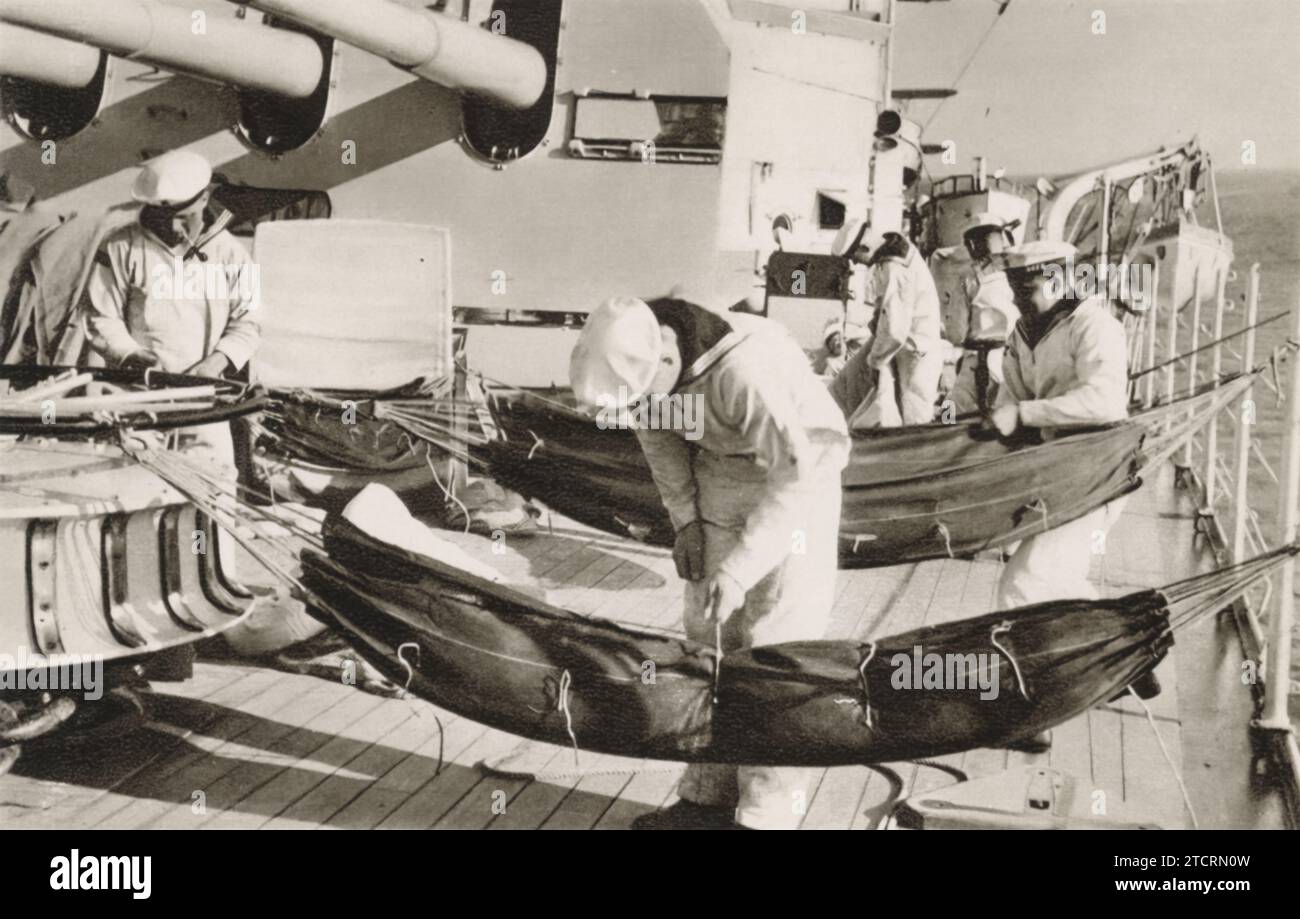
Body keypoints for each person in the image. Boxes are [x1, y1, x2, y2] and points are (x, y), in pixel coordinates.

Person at [569, 296, 849, 830]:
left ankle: (765, 816)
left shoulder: (744, 371)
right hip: (721, 475)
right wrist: (687, 524)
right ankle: (706, 798)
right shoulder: (648, 364)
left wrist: (740, 570)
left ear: (667, 362)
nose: (642, 405)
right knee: (706, 642)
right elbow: (659, 436)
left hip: (800, 479)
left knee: (773, 654)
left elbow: (795, 476)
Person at [84, 150, 260, 469]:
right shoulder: (120, 247)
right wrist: (132, 356)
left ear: (205, 198)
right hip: (136, 398)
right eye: (162, 217)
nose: (173, 227)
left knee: (211, 488)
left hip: (203, 402)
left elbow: (249, 322)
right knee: (128, 487)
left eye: (183, 216)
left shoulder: (231, 254)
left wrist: (213, 364)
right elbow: (100, 317)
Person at [989, 240, 1129, 610]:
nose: (1018, 300)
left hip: (1096, 472)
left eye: (1027, 290)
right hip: (1052, 470)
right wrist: (1004, 410)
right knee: (1055, 583)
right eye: (1014, 289)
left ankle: (1097, 649)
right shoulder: (1024, 331)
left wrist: (1025, 414)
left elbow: (1105, 403)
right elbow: (1011, 388)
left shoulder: (1095, 326)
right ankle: (1092, 651)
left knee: (1026, 583)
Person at [829, 220, 943, 426]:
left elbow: (895, 330)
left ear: (863, 248)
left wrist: (876, 361)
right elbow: (886, 312)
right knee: (853, 384)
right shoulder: (892, 255)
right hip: (901, 347)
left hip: (916, 351)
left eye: (854, 257)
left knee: (915, 417)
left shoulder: (895, 267)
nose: (856, 264)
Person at [947, 213, 1020, 415]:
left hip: (980, 361)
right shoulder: (1017, 271)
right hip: (1013, 360)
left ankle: (938, 442)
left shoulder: (969, 278)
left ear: (971, 244)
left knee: (948, 411)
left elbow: (956, 332)